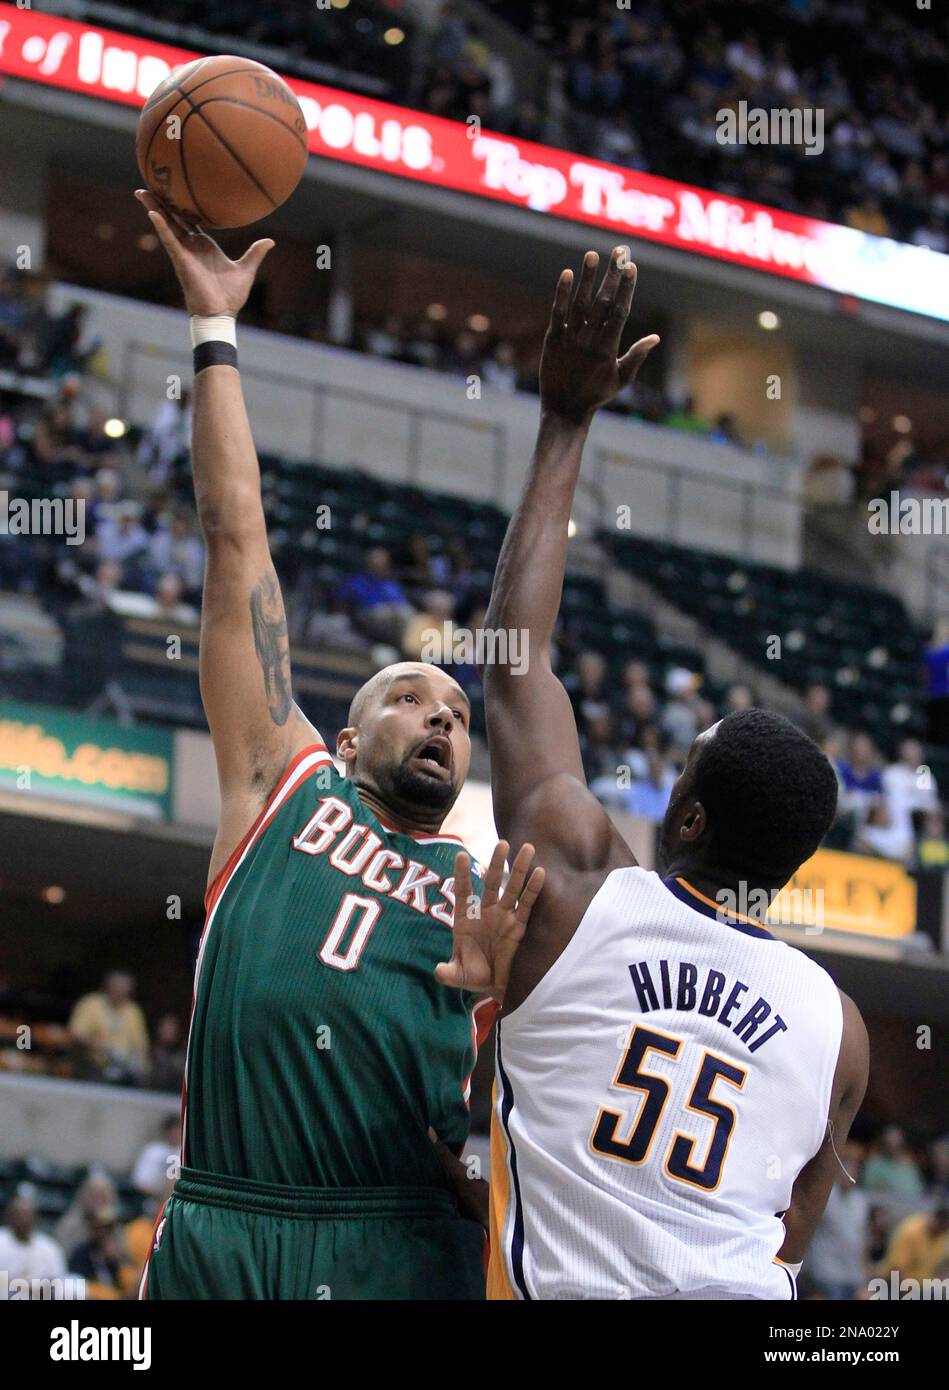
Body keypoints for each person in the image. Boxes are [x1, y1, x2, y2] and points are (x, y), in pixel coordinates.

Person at [132, 188, 543, 1301]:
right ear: (351, 731)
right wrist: (215, 328)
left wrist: (494, 1012)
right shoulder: (282, 777)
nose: (443, 717)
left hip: (394, 1240)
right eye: (414, 697)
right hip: (224, 1218)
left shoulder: (483, 894)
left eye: (457, 714)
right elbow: (236, 533)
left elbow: (527, 1126)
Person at [469, 247, 868, 1300]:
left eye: (682, 765)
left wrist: (565, 421)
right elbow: (787, 1238)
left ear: (684, 816)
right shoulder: (840, 1029)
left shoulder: (575, 891)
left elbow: (514, 664)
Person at [803, 1142, 870, 1300]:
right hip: (826, 1272)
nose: (849, 1173)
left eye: (853, 1169)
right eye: (845, 1168)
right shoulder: (824, 1197)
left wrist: (864, 1278)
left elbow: (863, 1240)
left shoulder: (861, 1202)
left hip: (852, 1275)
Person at [69, 971, 149, 1085]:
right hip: (95, 1062)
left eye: (124, 992)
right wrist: (102, 1048)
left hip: (124, 1066)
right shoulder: (91, 1003)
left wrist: (134, 1060)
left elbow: (141, 1044)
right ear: (108, 988)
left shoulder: (133, 1011)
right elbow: (75, 1034)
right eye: (117, 989)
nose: (120, 994)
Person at [0, 1191, 67, 1300]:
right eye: (18, 1214)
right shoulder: (1, 1240)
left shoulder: (49, 1247)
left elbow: (58, 1284)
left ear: (35, 1217)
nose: (23, 1219)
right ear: (9, 1216)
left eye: (27, 1214)